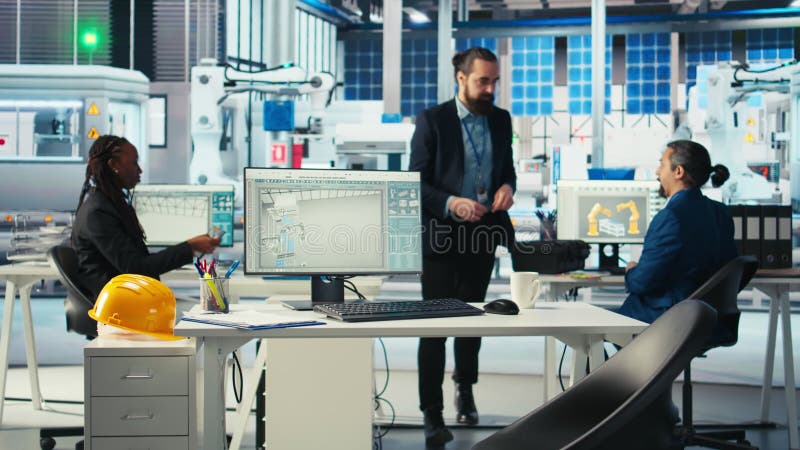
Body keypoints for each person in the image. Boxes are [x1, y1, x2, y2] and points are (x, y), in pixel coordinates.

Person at [409, 47, 516, 447]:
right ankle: (431, 413)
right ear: (461, 78)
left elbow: (507, 172)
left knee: (474, 322)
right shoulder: (433, 120)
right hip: (440, 237)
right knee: (435, 328)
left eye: (494, 81)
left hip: (482, 234)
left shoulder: (500, 120)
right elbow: (416, 182)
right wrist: (451, 203)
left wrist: (507, 187)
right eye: (482, 81)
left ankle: (465, 388)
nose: (490, 89)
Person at [71, 135, 220, 301]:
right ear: (113, 165)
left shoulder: (108, 204)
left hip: (128, 299)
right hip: (118, 307)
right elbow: (136, 268)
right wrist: (189, 248)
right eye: (134, 163)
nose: (139, 170)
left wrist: (190, 247)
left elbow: (137, 262)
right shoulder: (98, 213)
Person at [618, 139, 737, 324]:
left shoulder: (671, 218)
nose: (657, 172)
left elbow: (641, 283)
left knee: (591, 327)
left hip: (667, 319)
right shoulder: (721, 213)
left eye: (661, 164)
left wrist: (631, 270)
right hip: (707, 319)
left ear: (678, 171)